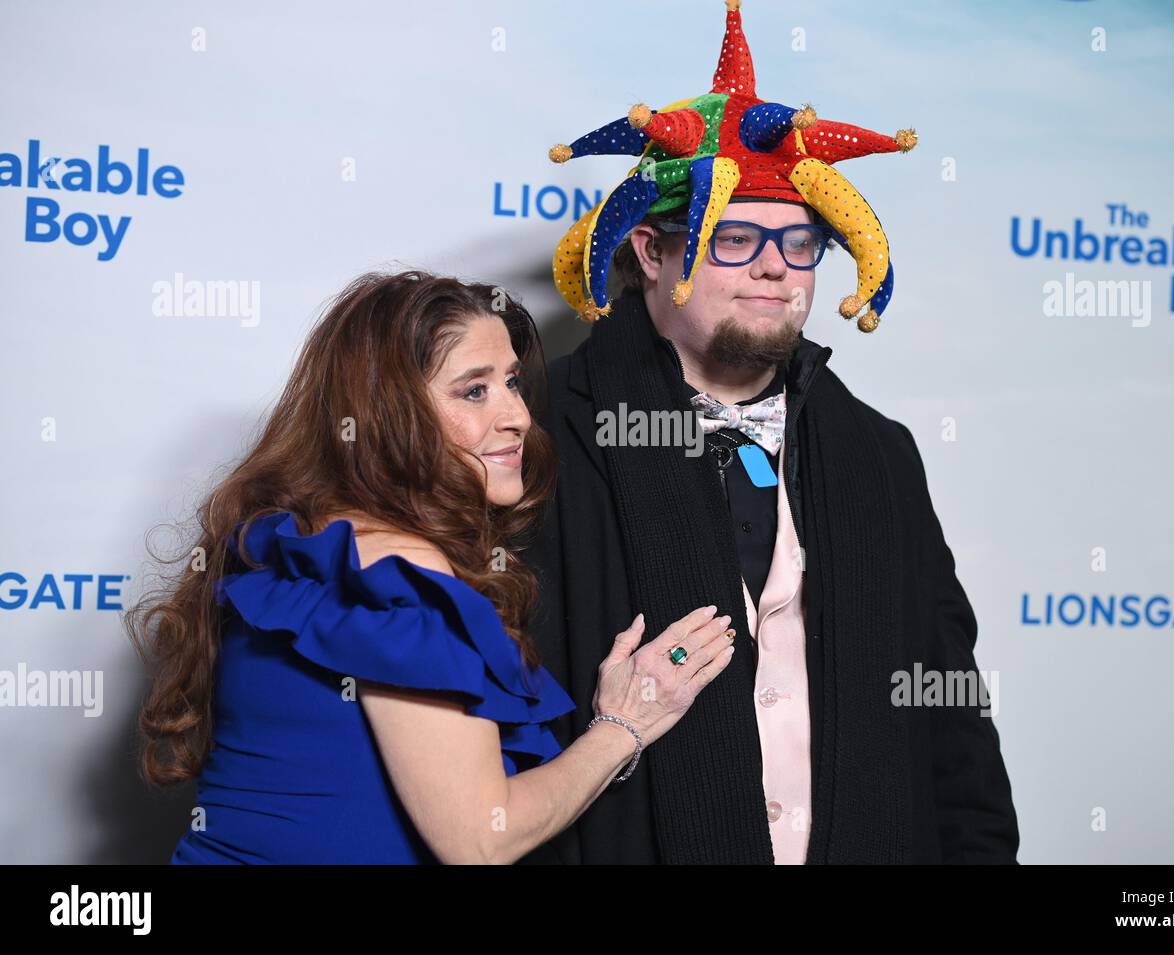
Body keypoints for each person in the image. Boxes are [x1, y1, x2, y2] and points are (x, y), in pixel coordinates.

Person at [521, 0, 1019, 863]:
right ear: (649, 250)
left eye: (800, 245)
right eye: (736, 237)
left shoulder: (877, 453)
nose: (773, 269)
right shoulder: (542, 432)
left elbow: (950, 722)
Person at [126, 271, 736, 864]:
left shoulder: (308, 540)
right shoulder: (399, 573)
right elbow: (480, 841)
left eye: (513, 383)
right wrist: (624, 725)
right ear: (390, 415)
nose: (518, 416)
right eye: (474, 391)